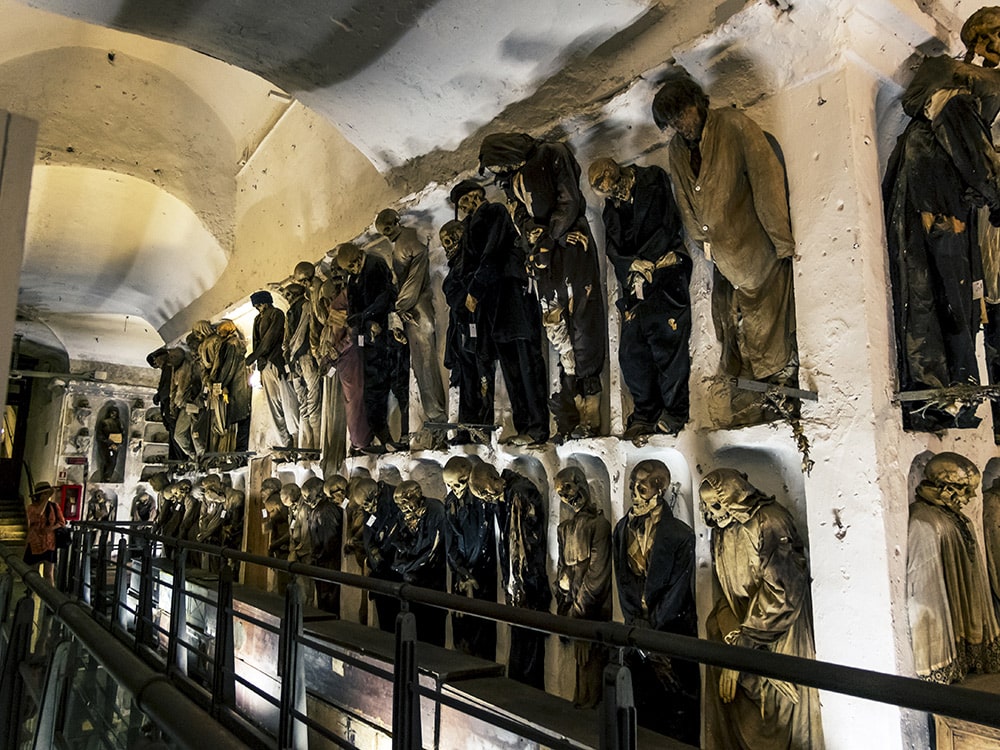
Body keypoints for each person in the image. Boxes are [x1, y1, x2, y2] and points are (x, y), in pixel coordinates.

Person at [652, 68, 799, 425]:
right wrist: (703, 245)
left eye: (681, 114)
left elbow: (766, 178)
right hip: (722, 259)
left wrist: (781, 240)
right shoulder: (676, 150)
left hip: (755, 248)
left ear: (698, 104)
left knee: (767, 319)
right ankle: (753, 395)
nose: (680, 125)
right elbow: (684, 200)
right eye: (671, 122)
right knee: (731, 325)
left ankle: (778, 386)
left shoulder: (734, 125)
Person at [883, 8, 1000, 431]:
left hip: (949, 195)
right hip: (934, 190)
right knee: (934, 291)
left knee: (957, 296)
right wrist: (993, 189)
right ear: (981, 42)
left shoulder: (969, 85)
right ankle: (938, 390)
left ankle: (955, 390)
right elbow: (968, 140)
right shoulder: (956, 80)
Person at [479, 132, 607, 439]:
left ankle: (591, 395)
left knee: (582, 314)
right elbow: (519, 213)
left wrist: (551, 236)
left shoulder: (551, 153)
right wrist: (530, 233)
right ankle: (572, 391)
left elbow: (569, 199)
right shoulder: (511, 180)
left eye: (498, 165)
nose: (499, 172)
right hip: (541, 253)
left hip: (568, 242)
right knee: (554, 320)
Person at [699, 468, 823, 750]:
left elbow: (784, 591)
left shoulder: (770, 522)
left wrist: (746, 643)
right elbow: (725, 587)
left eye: (716, 505)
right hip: (741, 629)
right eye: (705, 506)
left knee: (782, 721)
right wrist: (735, 639)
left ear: (733, 498)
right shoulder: (721, 528)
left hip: (778, 634)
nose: (711, 513)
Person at [588, 156, 692, 438]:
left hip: (666, 270)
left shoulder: (652, 179)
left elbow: (668, 224)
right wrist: (632, 265)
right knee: (630, 352)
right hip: (635, 282)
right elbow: (612, 248)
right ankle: (645, 412)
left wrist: (647, 259)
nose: (612, 196)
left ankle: (674, 411)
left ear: (613, 172)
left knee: (668, 345)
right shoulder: (611, 209)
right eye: (605, 193)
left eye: (607, 186)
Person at [449, 180, 549, 445]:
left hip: (512, 299)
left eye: (470, 198)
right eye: (463, 204)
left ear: (480, 194)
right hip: (494, 309)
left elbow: (491, 254)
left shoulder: (495, 212)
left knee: (527, 365)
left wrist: (474, 290)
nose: (468, 205)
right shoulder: (470, 226)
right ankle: (525, 427)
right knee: (512, 370)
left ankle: (538, 427)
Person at [613, 460, 699, 742]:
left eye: (641, 487)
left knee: (675, 714)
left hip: (671, 635)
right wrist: (634, 624)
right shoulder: (621, 529)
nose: (633, 493)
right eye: (631, 487)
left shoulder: (680, 535)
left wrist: (654, 629)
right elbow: (622, 579)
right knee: (641, 711)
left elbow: (678, 590)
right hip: (637, 635)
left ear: (659, 489)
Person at [908, 452, 1000, 683]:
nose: (970, 497)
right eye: (963, 489)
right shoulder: (924, 521)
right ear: (943, 486)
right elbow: (926, 588)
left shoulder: (958, 518)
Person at [469, 462, 551, 688]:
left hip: (527, 585)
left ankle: (527, 694)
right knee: (519, 646)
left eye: (485, 492)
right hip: (517, 585)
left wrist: (519, 585)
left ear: (496, 480)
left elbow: (521, 546)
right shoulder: (504, 497)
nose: (486, 499)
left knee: (528, 649)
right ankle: (519, 689)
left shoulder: (519, 495)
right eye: (481, 495)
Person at [375, 208, 449, 447]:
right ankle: (434, 420)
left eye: (387, 228)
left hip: (417, 311)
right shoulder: (399, 244)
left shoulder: (407, 241)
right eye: (382, 231)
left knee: (426, 365)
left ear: (397, 221)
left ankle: (438, 418)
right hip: (412, 311)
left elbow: (414, 279)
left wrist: (400, 307)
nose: (386, 234)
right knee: (421, 367)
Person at [554, 466, 611, 709]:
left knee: (593, 683)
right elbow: (561, 572)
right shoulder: (564, 529)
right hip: (576, 613)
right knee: (581, 685)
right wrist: (567, 604)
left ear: (581, 483)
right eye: (560, 493)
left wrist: (577, 615)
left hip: (592, 615)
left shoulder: (599, 525)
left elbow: (597, 575)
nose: (567, 496)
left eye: (568, 487)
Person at [335, 242, 401, 451]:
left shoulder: (375, 265)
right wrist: (361, 321)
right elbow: (354, 307)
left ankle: (402, 433)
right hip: (367, 336)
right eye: (350, 269)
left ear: (358, 258)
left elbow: (384, 297)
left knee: (395, 381)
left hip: (383, 331)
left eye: (354, 266)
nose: (354, 270)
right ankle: (382, 435)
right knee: (372, 388)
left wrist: (365, 318)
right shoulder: (353, 278)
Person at [439, 219, 496, 444]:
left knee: (482, 375)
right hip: (463, 328)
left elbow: (457, 291)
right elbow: (452, 293)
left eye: (452, 239)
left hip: (477, 326)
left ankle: (482, 425)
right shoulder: (457, 267)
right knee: (467, 380)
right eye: (445, 243)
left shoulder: (471, 262)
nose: (449, 246)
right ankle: (467, 427)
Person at [443, 456, 497, 659]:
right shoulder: (450, 503)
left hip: (482, 575)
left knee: (481, 634)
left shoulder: (481, 502)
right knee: (461, 629)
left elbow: (483, 539)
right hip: (461, 574)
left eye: (459, 483)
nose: (455, 489)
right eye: (450, 485)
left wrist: (471, 575)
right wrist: (462, 572)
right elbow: (451, 544)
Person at [389, 480, 448, 645]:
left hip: (431, 579)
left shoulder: (436, 511)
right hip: (410, 579)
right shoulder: (403, 515)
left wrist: (407, 566)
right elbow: (396, 540)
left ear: (417, 496)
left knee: (432, 626)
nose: (405, 509)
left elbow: (434, 549)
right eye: (401, 506)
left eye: (407, 504)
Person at [246, 291, 296, 447]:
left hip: (276, 361)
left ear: (266, 302)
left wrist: (254, 356)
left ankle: (296, 436)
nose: (258, 308)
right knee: (273, 404)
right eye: (256, 306)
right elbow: (257, 340)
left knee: (287, 401)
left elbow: (270, 338)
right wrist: (257, 362)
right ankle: (284, 442)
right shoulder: (257, 319)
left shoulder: (277, 314)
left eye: (259, 305)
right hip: (265, 365)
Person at [24, 481, 66, 586]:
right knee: (33, 572)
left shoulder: (54, 506)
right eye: (44, 494)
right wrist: (46, 499)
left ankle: (49, 597)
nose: (46, 496)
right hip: (35, 543)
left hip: (49, 543)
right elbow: (37, 514)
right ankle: (31, 591)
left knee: (48, 573)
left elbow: (62, 522)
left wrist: (51, 528)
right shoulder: (31, 507)